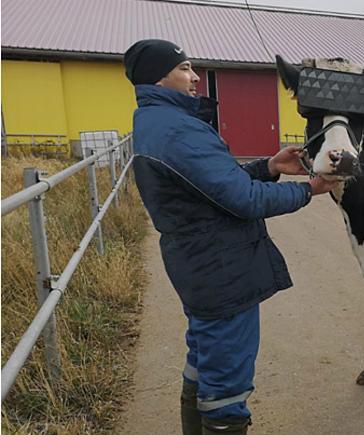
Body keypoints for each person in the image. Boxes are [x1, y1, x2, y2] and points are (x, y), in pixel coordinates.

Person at [123, 39, 338, 434]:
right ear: (158, 77)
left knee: (204, 360)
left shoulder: (158, 122)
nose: (194, 77)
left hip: (198, 264)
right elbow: (244, 199)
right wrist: (308, 190)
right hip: (220, 269)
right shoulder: (178, 130)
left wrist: (269, 167)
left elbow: (214, 185)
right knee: (226, 387)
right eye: (184, 68)